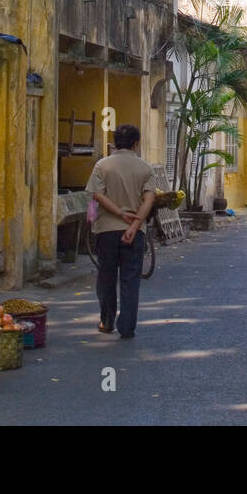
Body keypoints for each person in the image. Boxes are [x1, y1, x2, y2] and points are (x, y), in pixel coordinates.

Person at [86, 124, 156, 339]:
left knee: (106, 277)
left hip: (106, 230)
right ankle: (127, 326)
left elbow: (96, 195)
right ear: (136, 143)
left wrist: (118, 213)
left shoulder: (102, 165)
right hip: (135, 232)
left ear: (116, 142)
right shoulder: (145, 168)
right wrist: (133, 225)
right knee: (130, 278)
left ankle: (107, 322)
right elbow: (149, 199)